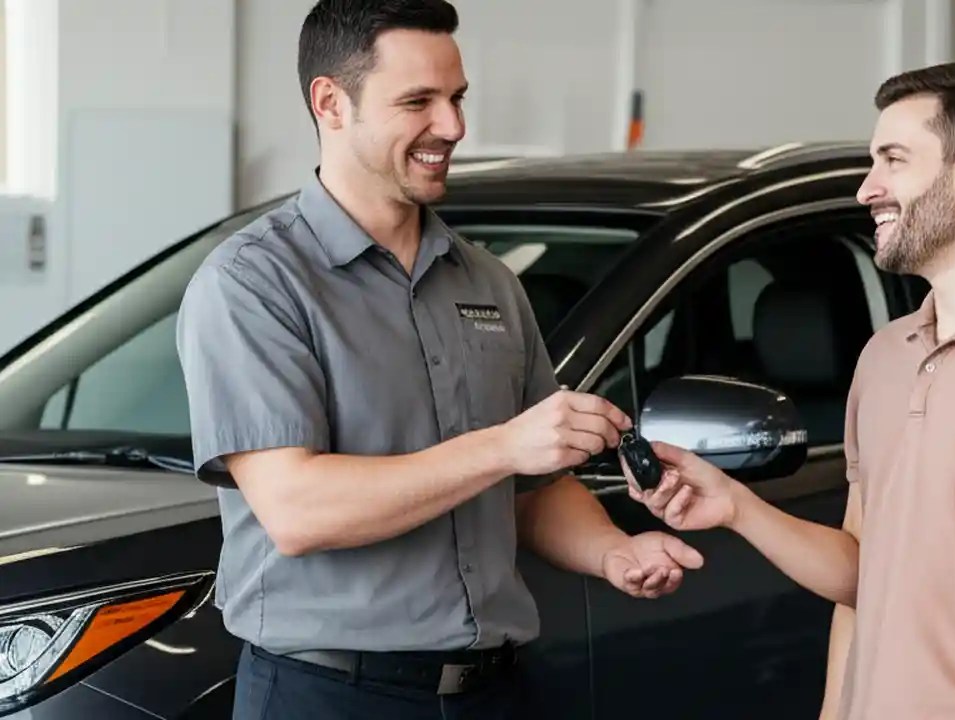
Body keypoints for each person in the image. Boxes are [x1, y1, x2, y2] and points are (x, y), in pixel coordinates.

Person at [174, 1, 704, 718]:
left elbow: (534, 487)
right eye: (418, 102)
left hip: (495, 692)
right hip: (331, 697)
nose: (452, 127)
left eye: (456, 99)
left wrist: (612, 551)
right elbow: (297, 510)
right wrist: (503, 446)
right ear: (331, 103)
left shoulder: (488, 281)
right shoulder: (254, 284)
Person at [627, 60, 955, 720]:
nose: (867, 189)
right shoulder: (884, 356)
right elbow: (860, 577)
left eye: (893, 161)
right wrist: (734, 506)